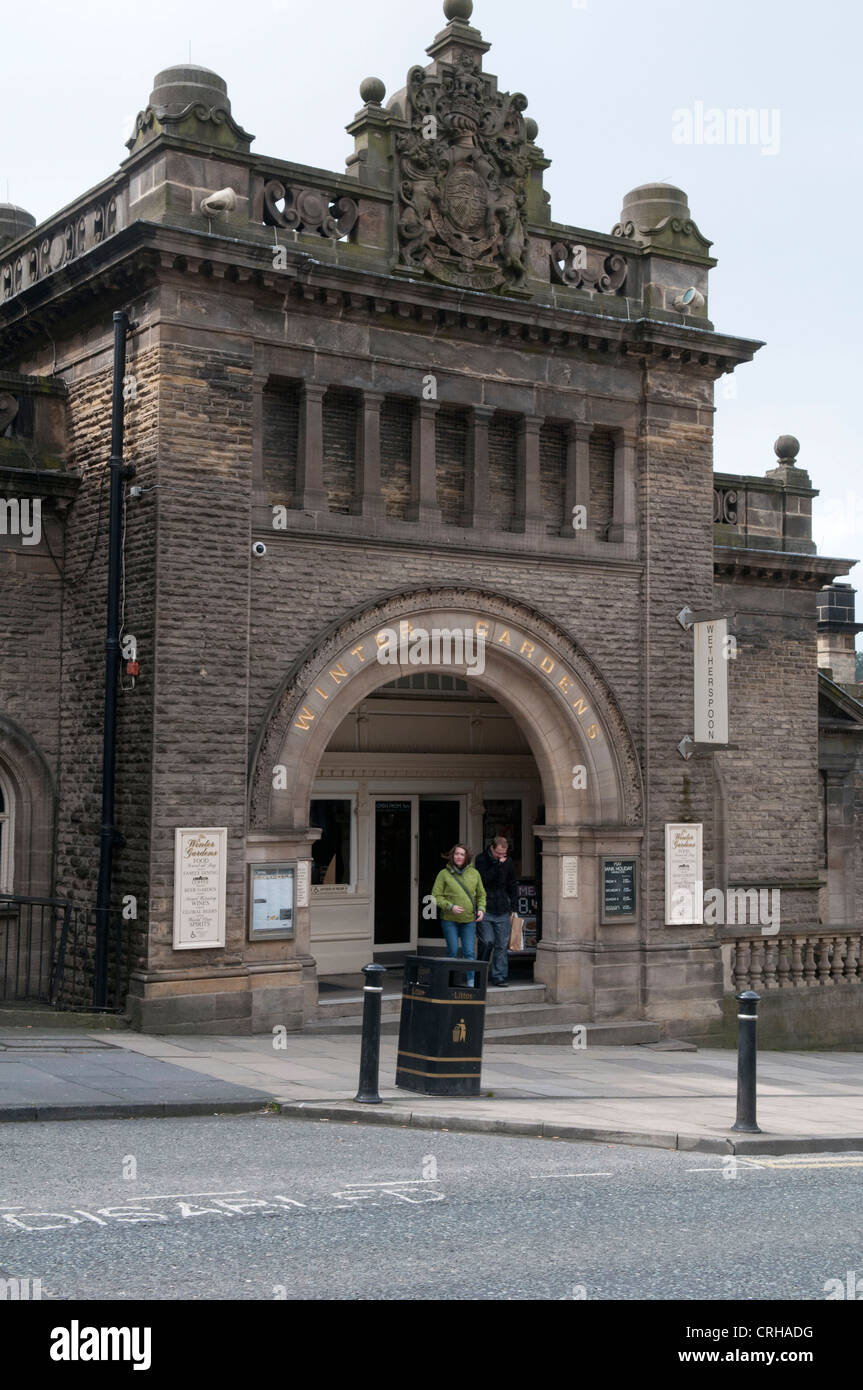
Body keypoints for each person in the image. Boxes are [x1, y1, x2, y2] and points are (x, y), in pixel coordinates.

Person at [431, 844, 486, 987]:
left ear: (467, 857)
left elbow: (481, 895)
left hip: (469, 920)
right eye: (456, 854)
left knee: (469, 952)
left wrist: (481, 909)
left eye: (462, 854)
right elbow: (435, 896)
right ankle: (450, 980)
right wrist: (450, 907)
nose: (459, 857)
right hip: (450, 920)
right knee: (453, 950)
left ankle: (471, 982)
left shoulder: (474, 873)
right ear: (452, 856)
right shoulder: (444, 874)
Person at [475, 835, 518, 987]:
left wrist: (514, 906)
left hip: (502, 908)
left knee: (501, 945)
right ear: (491, 848)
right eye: (498, 853)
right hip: (485, 907)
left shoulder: (508, 862)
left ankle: (499, 976)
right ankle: (479, 973)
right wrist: (497, 865)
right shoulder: (481, 859)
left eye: (503, 854)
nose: (501, 856)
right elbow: (483, 880)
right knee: (487, 941)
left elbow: (512, 884)